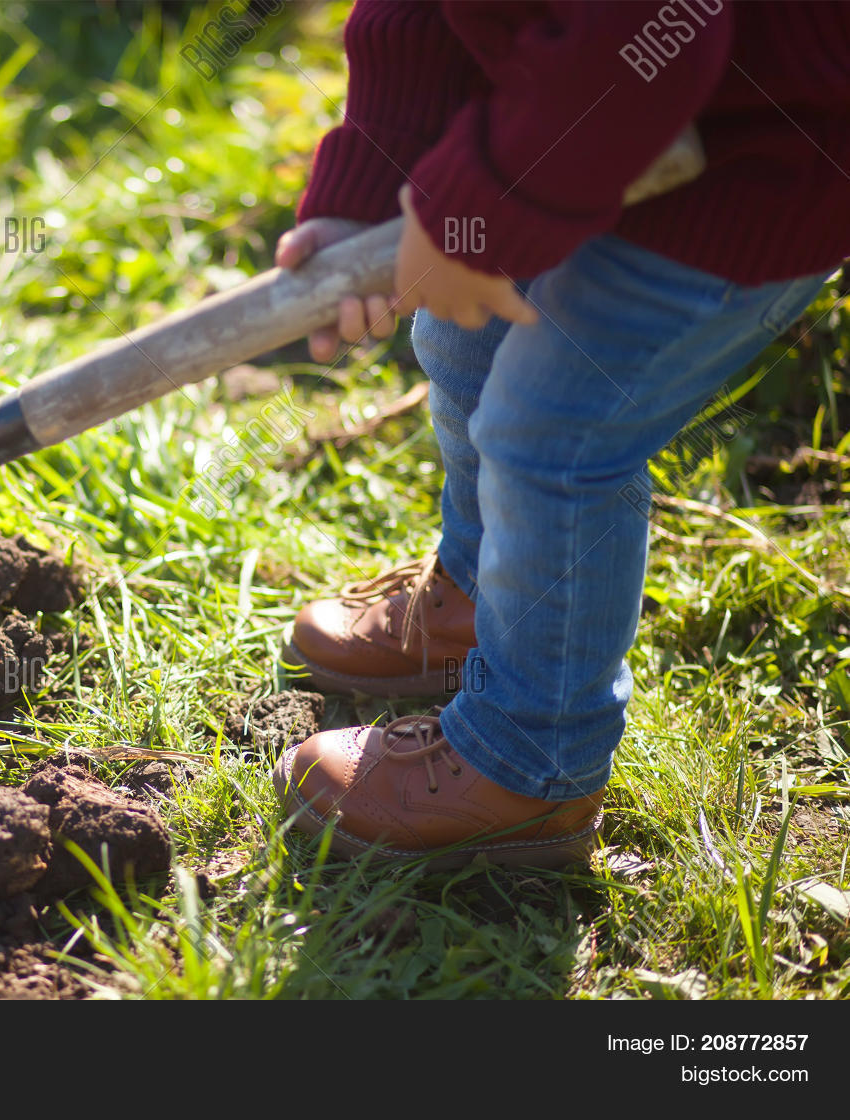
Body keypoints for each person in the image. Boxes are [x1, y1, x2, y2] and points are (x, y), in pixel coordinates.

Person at [271, 0, 850, 867]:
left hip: (760, 160)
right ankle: (477, 601)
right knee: (462, 334)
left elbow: (646, 35)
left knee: (554, 436)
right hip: (586, 134)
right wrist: (367, 189)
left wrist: (478, 210)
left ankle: (533, 765)